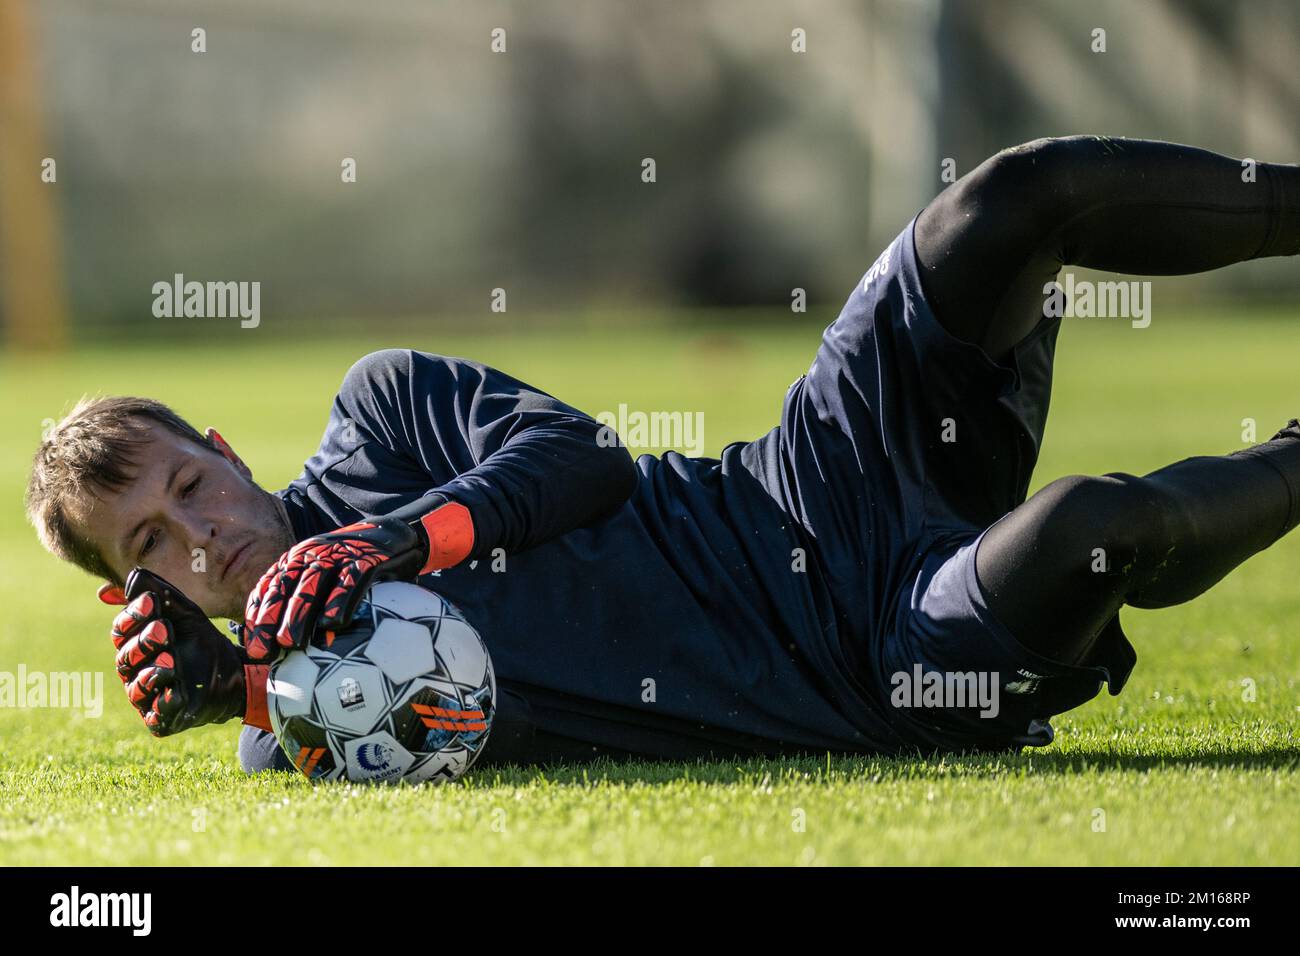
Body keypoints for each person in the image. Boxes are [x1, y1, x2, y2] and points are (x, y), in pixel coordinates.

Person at [25, 135, 1300, 773]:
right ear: (125, 593)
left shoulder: (382, 411)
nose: (199, 532)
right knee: (1089, 522)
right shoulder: (315, 723)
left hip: (809, 479)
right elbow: (433, 719)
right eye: (151, 542)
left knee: (1010, 200)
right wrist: (244, 683)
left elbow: (584, 462)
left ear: (227, 449)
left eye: (190, 484)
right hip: (878, 665)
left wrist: (393, 536)